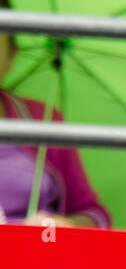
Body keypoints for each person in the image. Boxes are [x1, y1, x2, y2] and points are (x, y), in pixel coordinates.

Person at [0, 18, 108, 227]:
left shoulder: (44, 119)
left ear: (12, 54)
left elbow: (96, 216)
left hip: (33, 256)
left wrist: (63, 226)